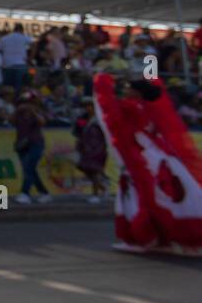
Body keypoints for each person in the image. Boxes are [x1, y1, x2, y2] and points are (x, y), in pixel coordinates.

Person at [94, 75, 202, 253]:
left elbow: (109, 113)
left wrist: (102, 83)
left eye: (129, 88)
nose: (125, 91)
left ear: (137, 92)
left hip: (142, 157)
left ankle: (143, 238)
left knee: (139, 196)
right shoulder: (154, 107)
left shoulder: (132, 107)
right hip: (159, 156)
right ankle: (161, 237)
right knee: (165, 198)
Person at [12, 90, 50, 204]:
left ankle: (25, 193)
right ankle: (44, 192)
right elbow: (11, 120)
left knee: (30, 167)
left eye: (29, 102)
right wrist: (17, 111)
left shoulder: (38, 111)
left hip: (36, 142)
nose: (26, 104)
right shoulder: (19, 113)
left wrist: (33, 111)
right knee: (28, 169)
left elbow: (42, 122)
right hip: (21, 143)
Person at [73, 99, 107, 202]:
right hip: (85, 149)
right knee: (85, 169)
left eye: (89, 106)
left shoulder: (101, 118)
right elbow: (77, 132)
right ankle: (102, 187)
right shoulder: (81, 119)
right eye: (85, 106)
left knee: (94, 171)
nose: (87, 108)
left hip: (98, 149)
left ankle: (95, 195)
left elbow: (106, 134)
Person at [0, 23, 31, 89]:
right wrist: (30, 57)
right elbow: (34, 44)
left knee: (8, 87)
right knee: (20, 87)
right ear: (22, 30)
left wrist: (2, 57)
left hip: (7, 64)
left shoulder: (5, 38)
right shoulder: (24, 37)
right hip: (21, 64)